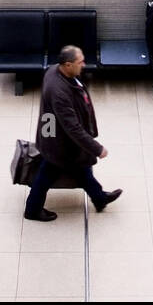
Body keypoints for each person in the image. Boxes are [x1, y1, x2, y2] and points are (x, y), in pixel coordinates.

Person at [23, 46, 122, 222]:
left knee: (81, 168)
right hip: (59, 141)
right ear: (68, 65)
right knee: (49, 172)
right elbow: (73, 128)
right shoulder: (59, 92)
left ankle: (99, 198)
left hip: (52, 132)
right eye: (80, 62)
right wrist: (97, 148)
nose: (83, 65)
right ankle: (32, 209)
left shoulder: (55, 70)